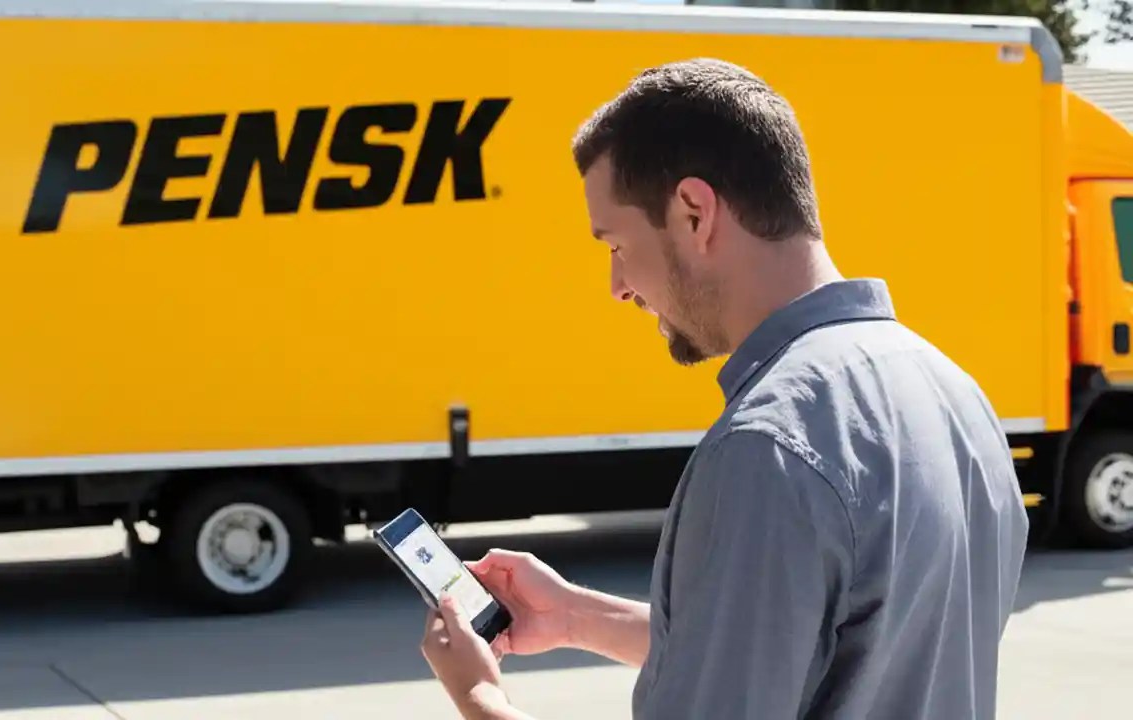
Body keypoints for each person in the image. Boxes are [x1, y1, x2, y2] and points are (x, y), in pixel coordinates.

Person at [419, 57, 1028, 720]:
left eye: (616, 245)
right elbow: (819, 654)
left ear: (693, 212)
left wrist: (478, 697)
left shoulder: (769, 449)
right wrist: (576, 615)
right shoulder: (952, 392)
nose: (617, 286)